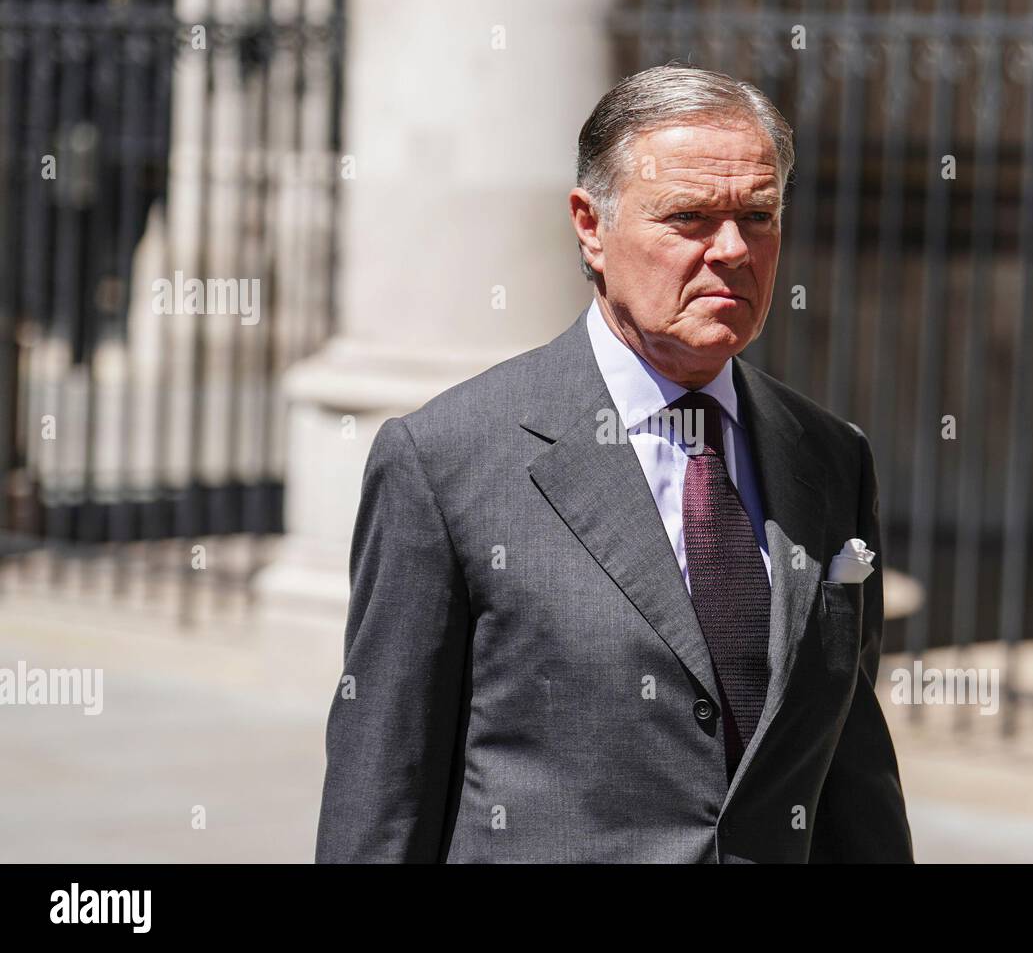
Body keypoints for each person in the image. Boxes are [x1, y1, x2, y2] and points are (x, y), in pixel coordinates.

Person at [315, 63, 912, 863]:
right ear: (590, 225)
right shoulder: (447, 460)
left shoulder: (830, 457)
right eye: (690, 217)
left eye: (758, 217)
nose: (732, 250)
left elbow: (853, 775)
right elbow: (382, 800)